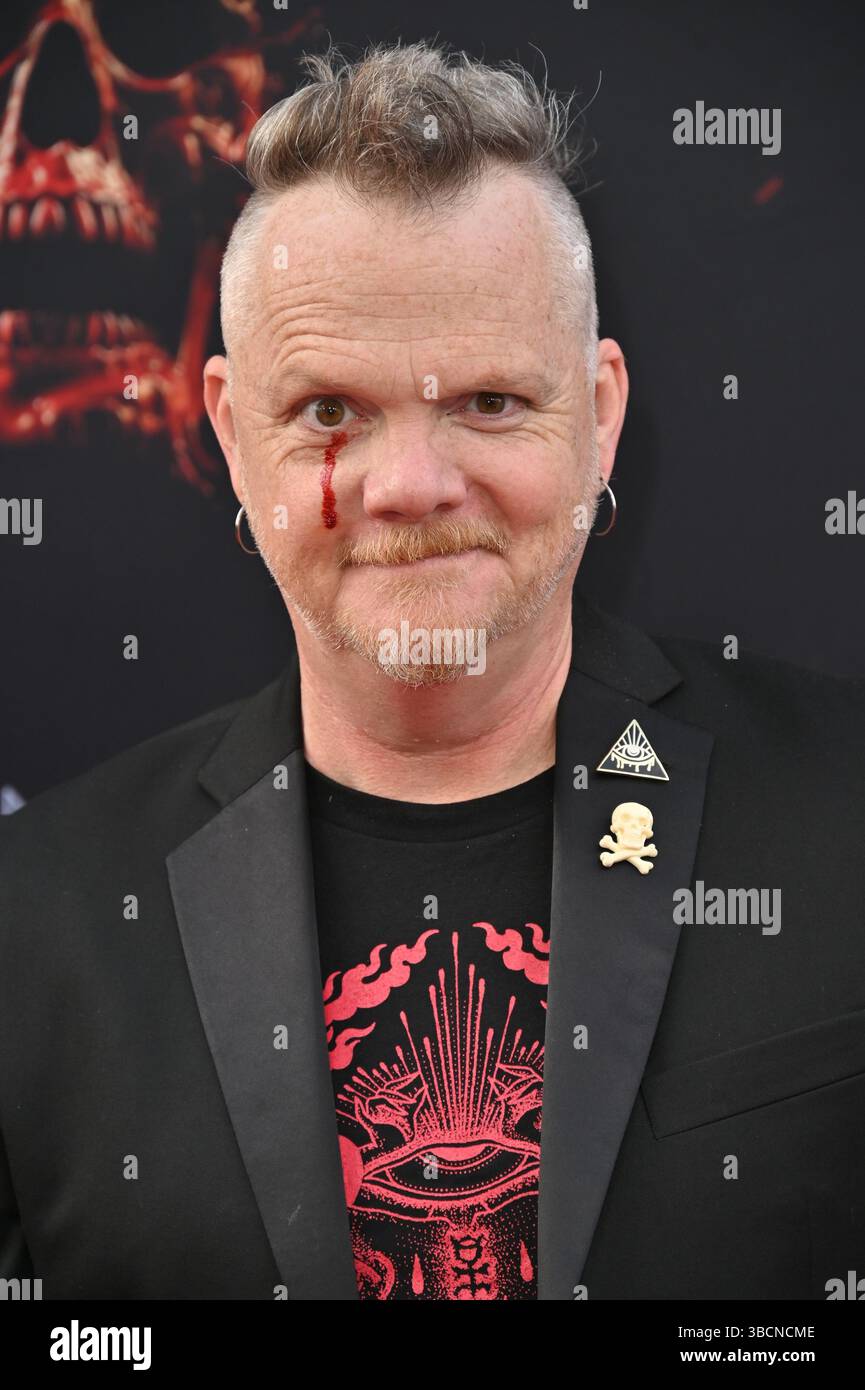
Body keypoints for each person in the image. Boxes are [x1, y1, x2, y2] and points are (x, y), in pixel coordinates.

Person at [1, 40, 863, 1303]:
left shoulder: (846, 812)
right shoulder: (34, 921)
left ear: (601, 413)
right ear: (231, 436)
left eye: (491, 403)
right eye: (330, 412)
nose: (412, 484)